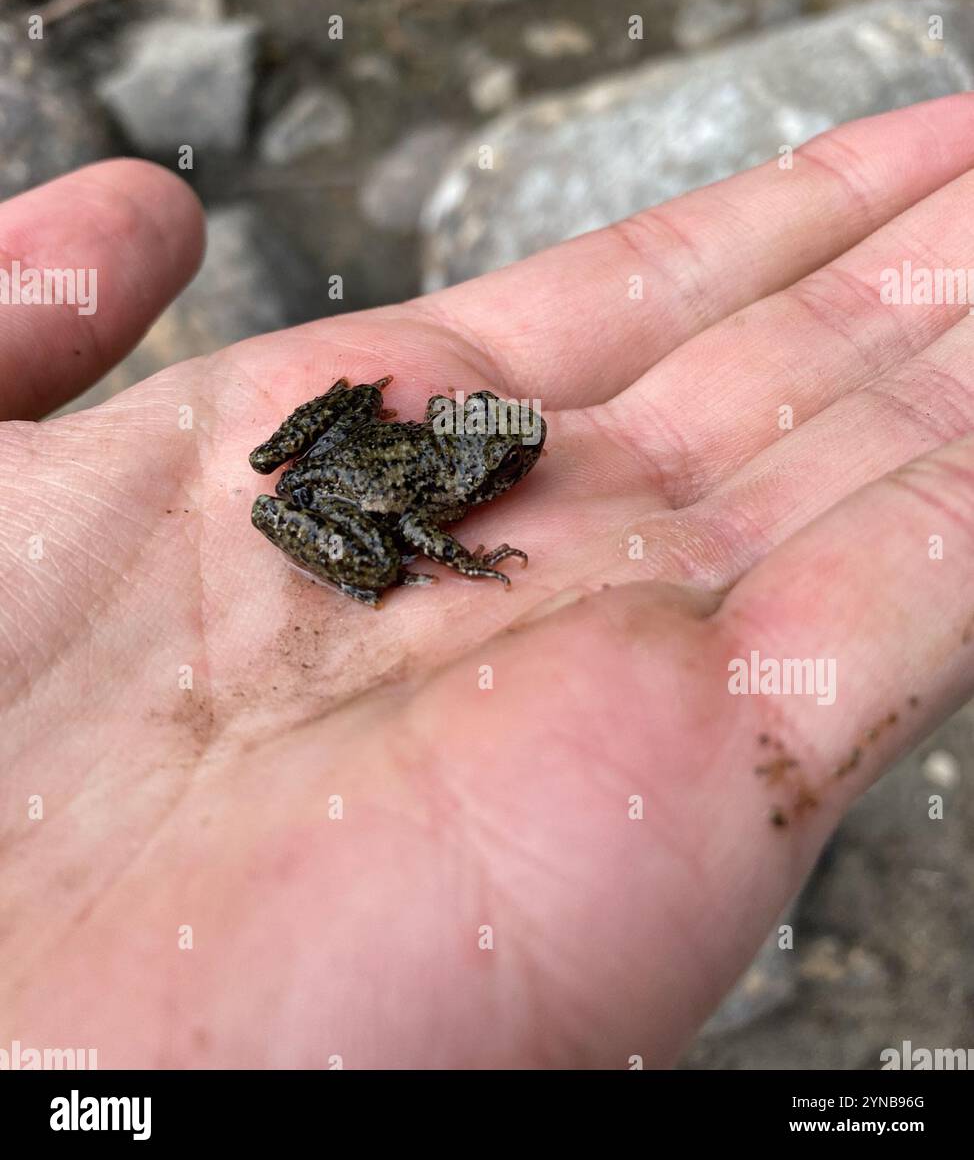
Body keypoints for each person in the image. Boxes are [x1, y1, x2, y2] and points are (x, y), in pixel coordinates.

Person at [1, 94, 971, 1069]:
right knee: (380, 563)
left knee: (322, 493)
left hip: (334, 458)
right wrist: (461, 560)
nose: (516, 460)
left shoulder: (454, 438)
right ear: (482, 469)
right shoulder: (444, 488)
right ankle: (360, 564)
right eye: (506, 459)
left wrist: (358, 410)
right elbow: (419, 521)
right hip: (338, 501)